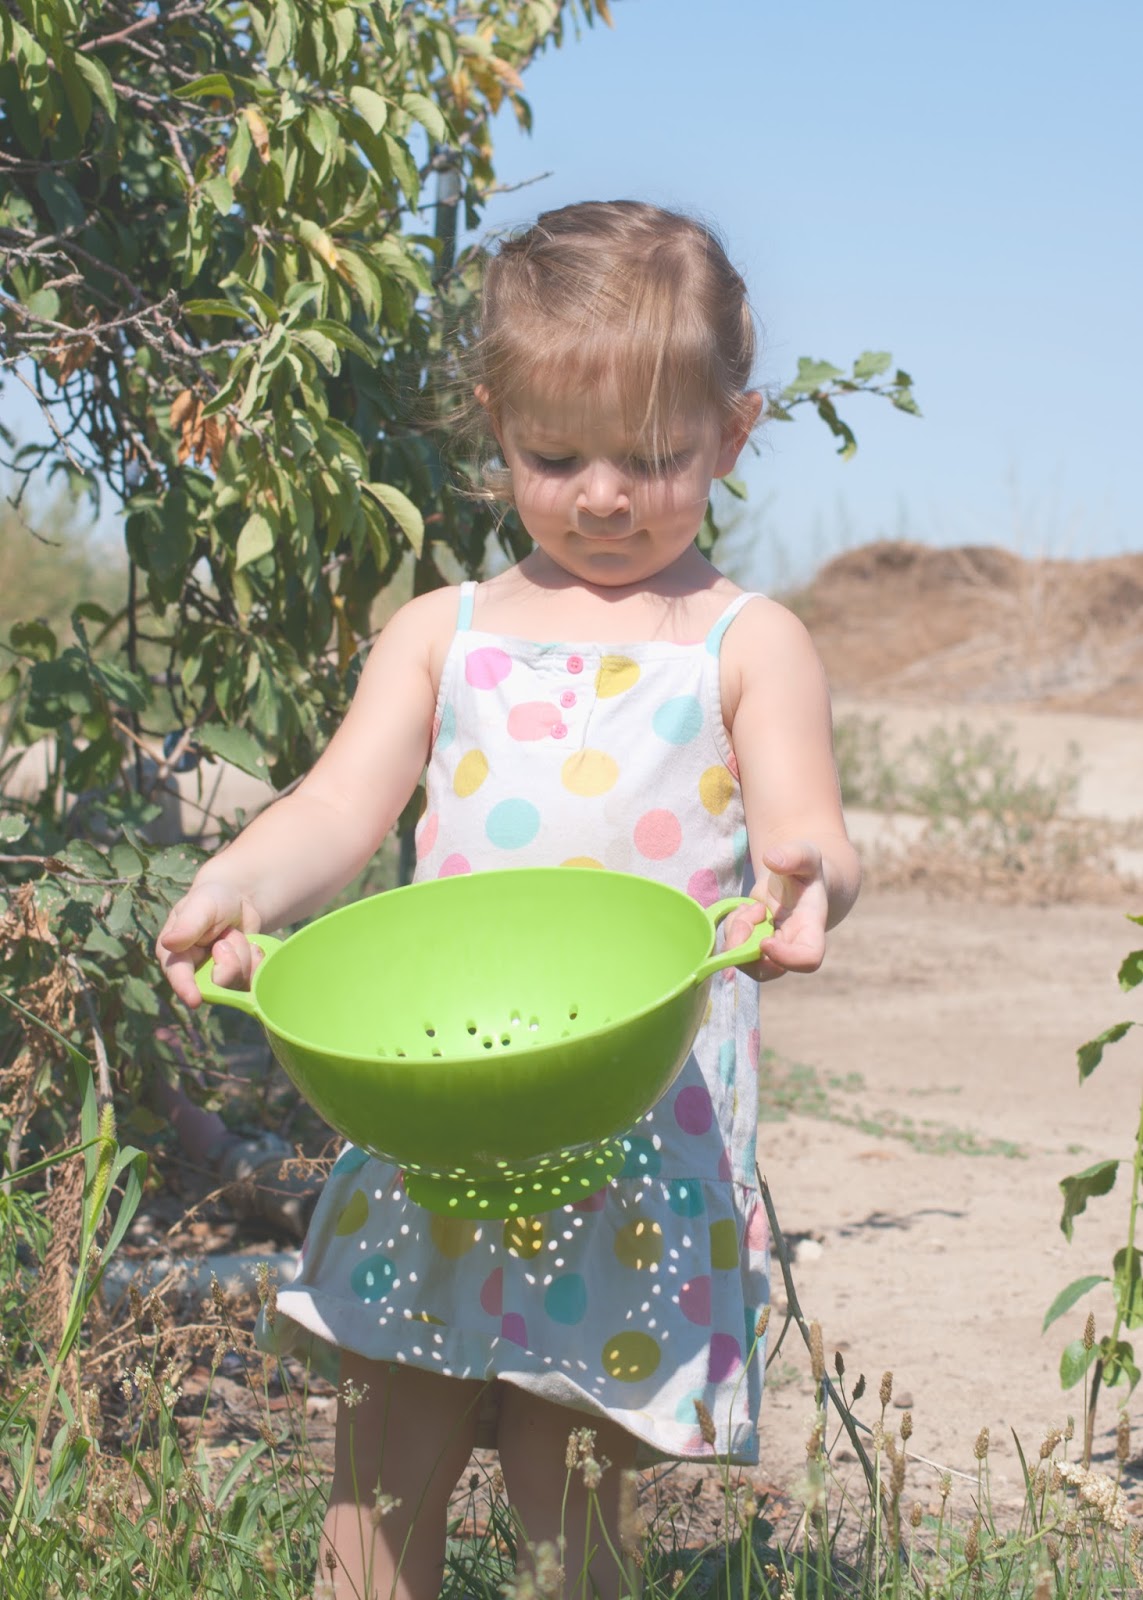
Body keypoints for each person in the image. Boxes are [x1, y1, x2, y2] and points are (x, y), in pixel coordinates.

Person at [158, 199, 861, 1600]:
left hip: (629, 1130)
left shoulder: (746, 642)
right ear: (494, 425)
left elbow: (811, 830)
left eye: (656, 458)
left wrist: (806, 884)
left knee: (570, 1515)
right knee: (375, 1498)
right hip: (437, 1121)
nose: (604, 493)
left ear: (734, 432)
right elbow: (335, 810)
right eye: (555, 455)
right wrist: (237, 882)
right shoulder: (445, 632)